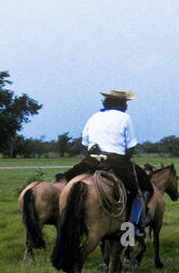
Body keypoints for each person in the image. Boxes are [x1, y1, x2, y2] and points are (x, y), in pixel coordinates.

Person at [62, 90, 154, 233]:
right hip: (116, 162)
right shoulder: (125, 117)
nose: (127, 106)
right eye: (126, 102)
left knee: (63, 180)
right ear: (120, 103)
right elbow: (130, 146)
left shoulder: (94, 116)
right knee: (140, 189)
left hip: (90, 161)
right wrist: (125, 159)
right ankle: (131, 229)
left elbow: (85, 142)